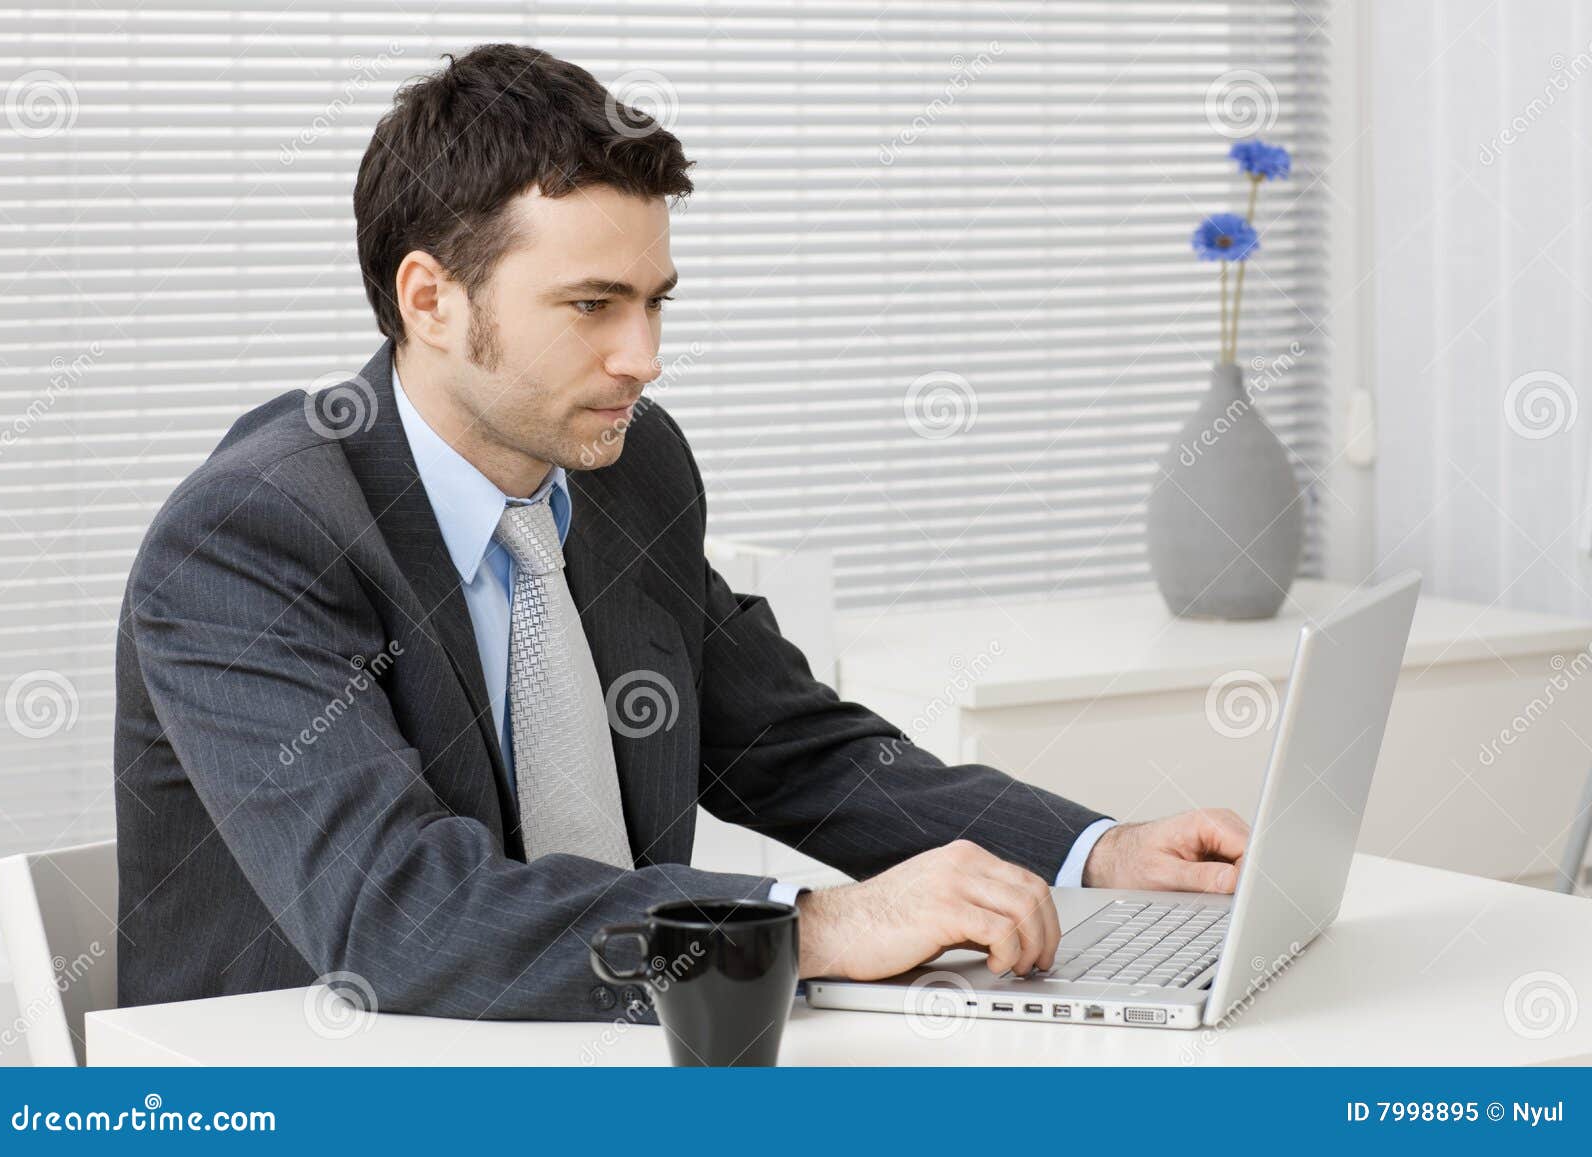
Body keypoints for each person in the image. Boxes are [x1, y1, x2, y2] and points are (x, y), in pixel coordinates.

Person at [114, 44, 1248, 1022]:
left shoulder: (626, 469)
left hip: (608, 1047)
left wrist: (1096, 852)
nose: (642, 358)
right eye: (591, 305)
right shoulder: (254, 537)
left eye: (657, 302)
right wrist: (806, 925)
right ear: (430, 299)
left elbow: (793, 746)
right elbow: (401, 913)